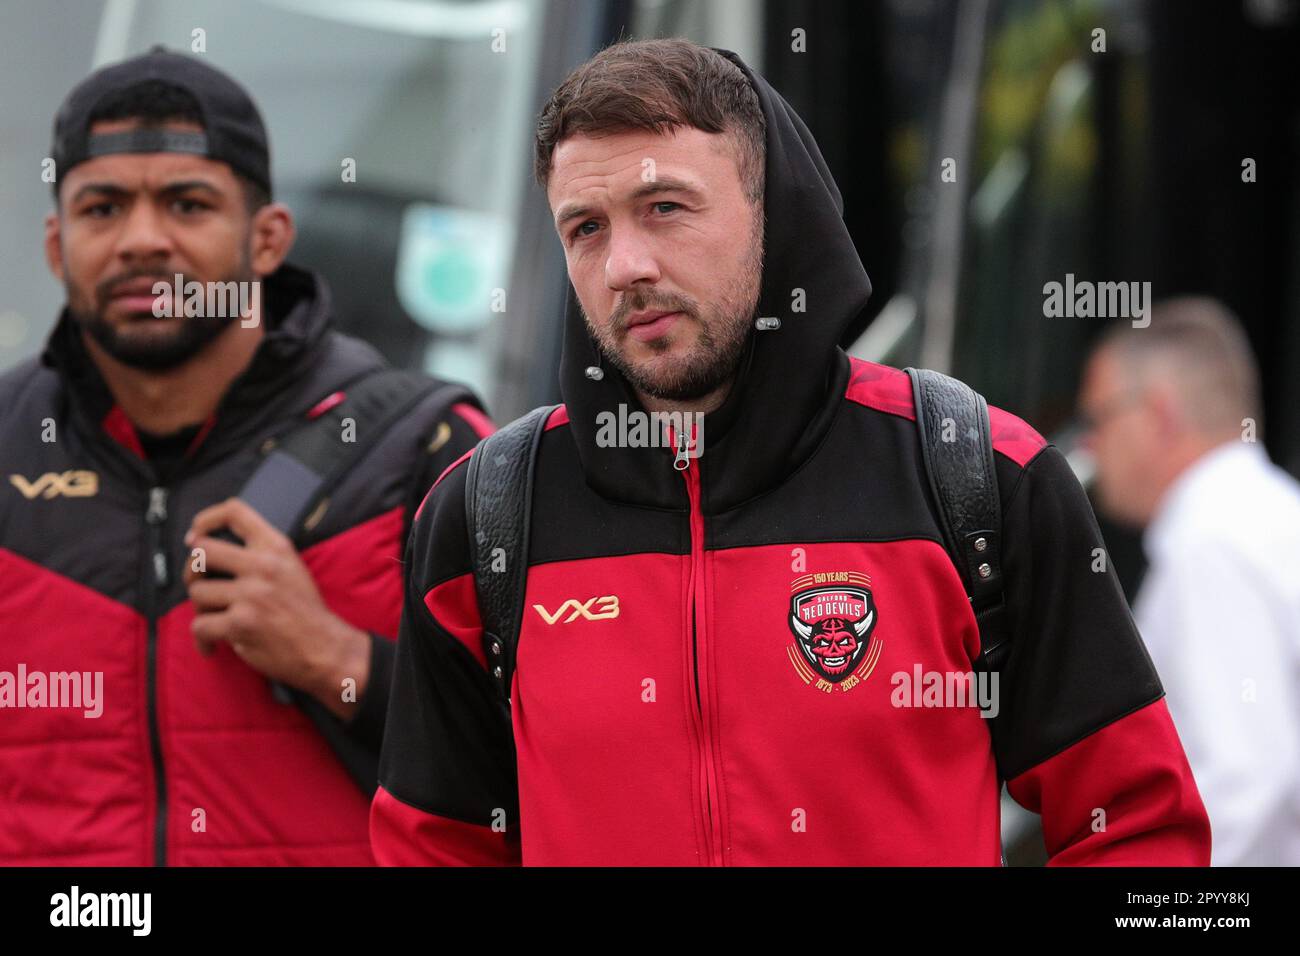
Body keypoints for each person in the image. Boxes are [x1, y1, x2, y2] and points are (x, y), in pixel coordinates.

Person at [372, 38, 1209, 865]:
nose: (625, 264)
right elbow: (433, 848)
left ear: (773, 209)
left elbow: (1139, 825)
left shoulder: (976, 474)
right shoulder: (485, 516)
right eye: (586, 228)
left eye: (665, 206)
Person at [0, 48, 492, 865]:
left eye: (187, 204)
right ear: (57, 247)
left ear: (267, 240)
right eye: (102, 209)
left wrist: (335, 660)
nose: (142, 241)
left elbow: (546, 762)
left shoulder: (426, 447)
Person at [1079, 297, 1300, 866]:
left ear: (1159, 413)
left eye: (1099, 419)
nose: (1089, 448)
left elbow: (1244, 786)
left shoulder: (1211, 544)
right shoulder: (1267, 517)